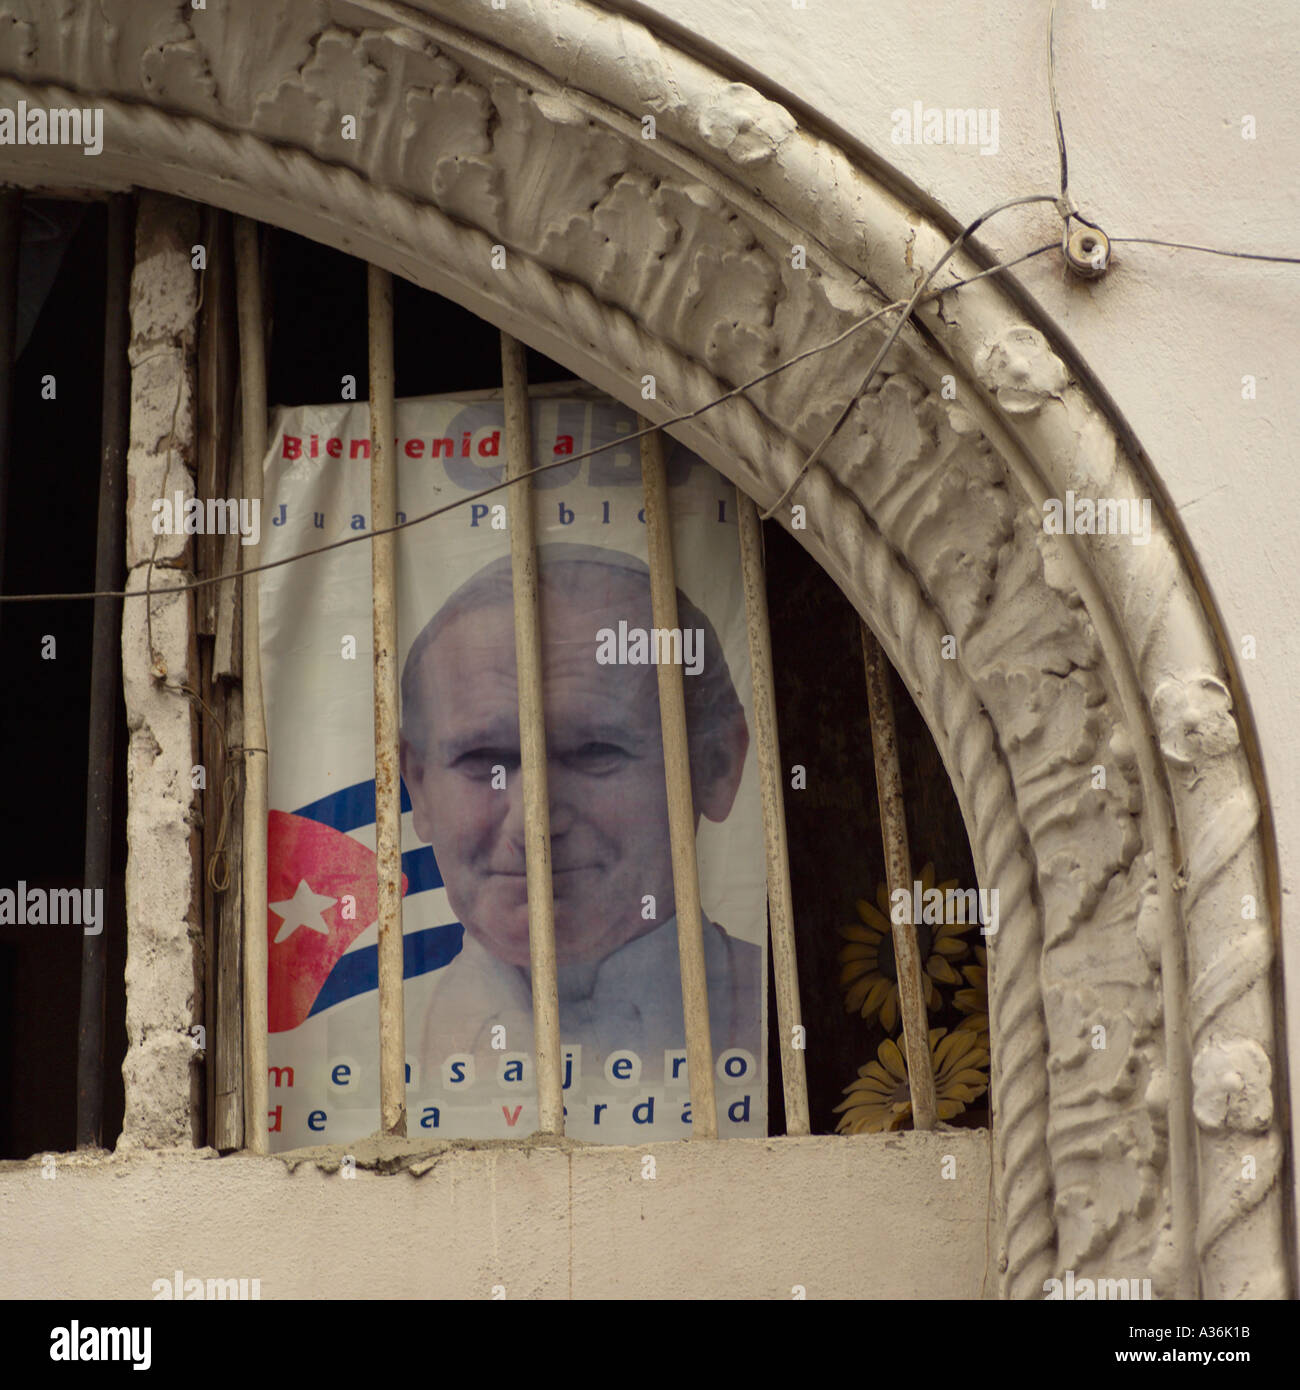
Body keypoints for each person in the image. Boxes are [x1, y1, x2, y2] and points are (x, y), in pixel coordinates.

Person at [398, 543, 760, 1084]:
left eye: (593, 752)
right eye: (483, 759)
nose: (533, 826)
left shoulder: (794, 1009)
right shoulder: (364, 1040)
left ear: (715, 765)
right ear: (418, 784)